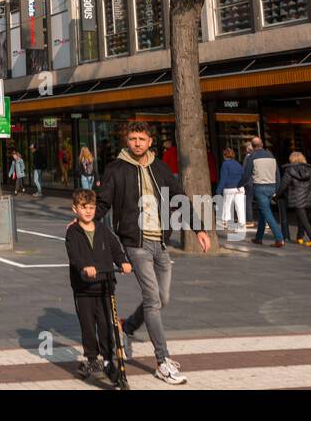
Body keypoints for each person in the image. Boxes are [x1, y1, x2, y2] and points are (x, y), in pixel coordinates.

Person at [93, 121, 209, 385]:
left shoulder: (160, 168)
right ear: (126, 140)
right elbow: (103, 202)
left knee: (162, 299)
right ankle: (162, 361)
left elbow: (178, 198)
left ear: (149, 141)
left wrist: (199, 229)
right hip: (136, 243)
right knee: (153, 299)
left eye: (141, 138)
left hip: (161, 242)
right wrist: (85, 220)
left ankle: (128, 326)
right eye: (132, 138)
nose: (137, 143)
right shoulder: (116, 169)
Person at [66, 188, 131, 379]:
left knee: (105, 324)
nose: (88, 211)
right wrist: (84, 266)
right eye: (84, 207)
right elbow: (74, 255)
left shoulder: (103, 229)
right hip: (84, 288)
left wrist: (123, 262)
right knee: (88, 325)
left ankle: (109, 359)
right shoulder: (72, 232)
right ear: (75, 209)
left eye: (92, 207)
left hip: (104, 286)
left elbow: (115, 248)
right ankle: (92, 359)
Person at [241, 136, 285, 247]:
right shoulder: (271, 156)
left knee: (266, 212)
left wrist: (239, 185)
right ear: (262, 145)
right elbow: (278, 175)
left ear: (253, 146)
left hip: (260, 187)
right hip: (271, 187)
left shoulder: (252, 157)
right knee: (263, 212)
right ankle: (258, 238)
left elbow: (247, 175)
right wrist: (276, 189)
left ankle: (279, 238)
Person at [275, 150, 311, 247]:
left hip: (297, 199)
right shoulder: (310, 171)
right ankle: (299, 237)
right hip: (309, 199)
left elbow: (283, 185)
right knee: (301, 219)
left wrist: (276, 195)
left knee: (304, 220)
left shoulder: (290, 171)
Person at [217, 147, 245, 233]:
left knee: (227, 206)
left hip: (229, 188)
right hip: (239, 188)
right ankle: (242, 225)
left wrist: (218, 190)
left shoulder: (225, 164)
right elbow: (243, 175)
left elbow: (223, 178)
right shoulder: (238, 164)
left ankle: (227, 223)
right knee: (240, 207)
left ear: (225, 155)